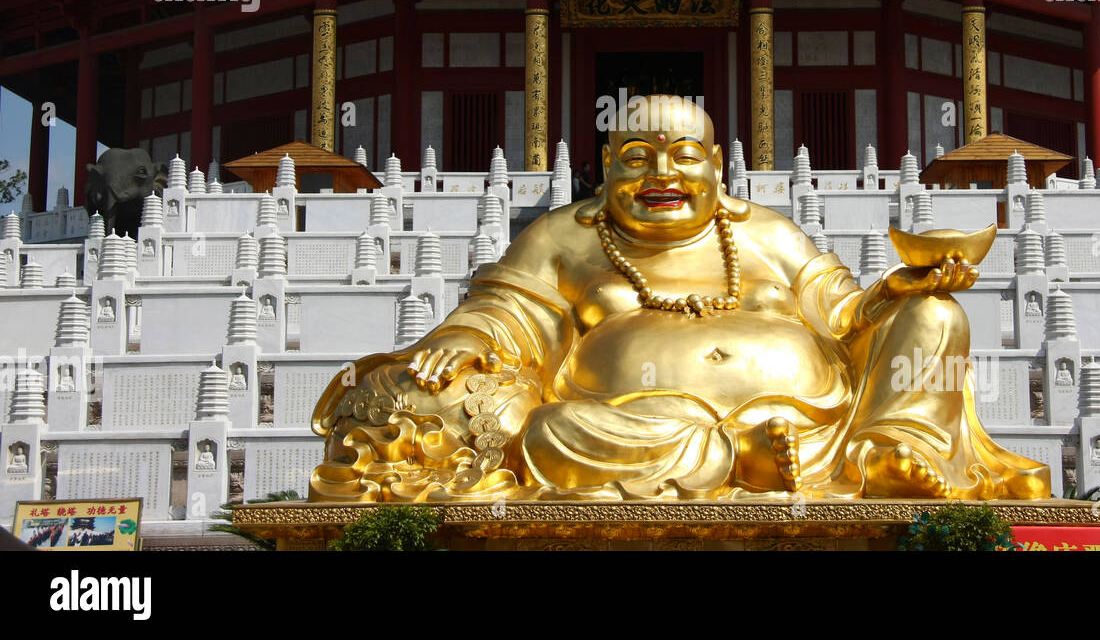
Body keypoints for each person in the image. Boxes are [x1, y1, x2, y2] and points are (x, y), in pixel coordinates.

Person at [311, 95, 1048, 501]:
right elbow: (509, 311)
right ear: (605, 166)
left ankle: (891, 451)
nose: (660, 174)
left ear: (717, 165)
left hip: (816, 419)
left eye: (683, 156)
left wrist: (900, 287)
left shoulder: (767, 232)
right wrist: (467, 337)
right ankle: (738, 457)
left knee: (935, 316)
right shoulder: (567, 234)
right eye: (636, 158)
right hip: (637, 423)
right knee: (549, 434)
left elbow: (845, 315)